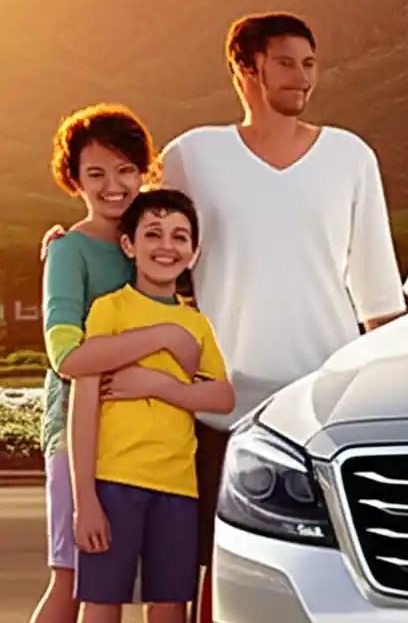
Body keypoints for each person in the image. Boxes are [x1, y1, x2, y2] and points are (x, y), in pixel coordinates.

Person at [159, 12, 408, 623]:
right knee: (209, 573)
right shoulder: (192, 155)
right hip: (216, 406)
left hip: (321, 405)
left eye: (310, 63)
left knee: (328, 578)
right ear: (245, 68)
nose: (303, 77)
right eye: (286, 63)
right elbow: (143, 244)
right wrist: (71, 245)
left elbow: (377, 290)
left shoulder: (350, 156)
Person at [30, 104, 200, 623]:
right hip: (78, 432)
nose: (113, 185)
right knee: (73, 579)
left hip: (145, 441)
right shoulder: (68, 251)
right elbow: (65, 355)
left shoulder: (150, 238)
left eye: (126, 169)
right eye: (95, 174)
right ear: (73, 179)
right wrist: (159, 337)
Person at [69, 188, 235, 623]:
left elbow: (221, 396)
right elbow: (83, 407)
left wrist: (159, 385)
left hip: (178, 489)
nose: (167, 246)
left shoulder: (196, 324)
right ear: (129, 244)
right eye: (153, 234)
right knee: (103, 601)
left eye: (180, 237)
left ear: (194, 253)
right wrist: (85, 499)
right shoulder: (109, 310)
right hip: (112, 483)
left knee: (170, 604)